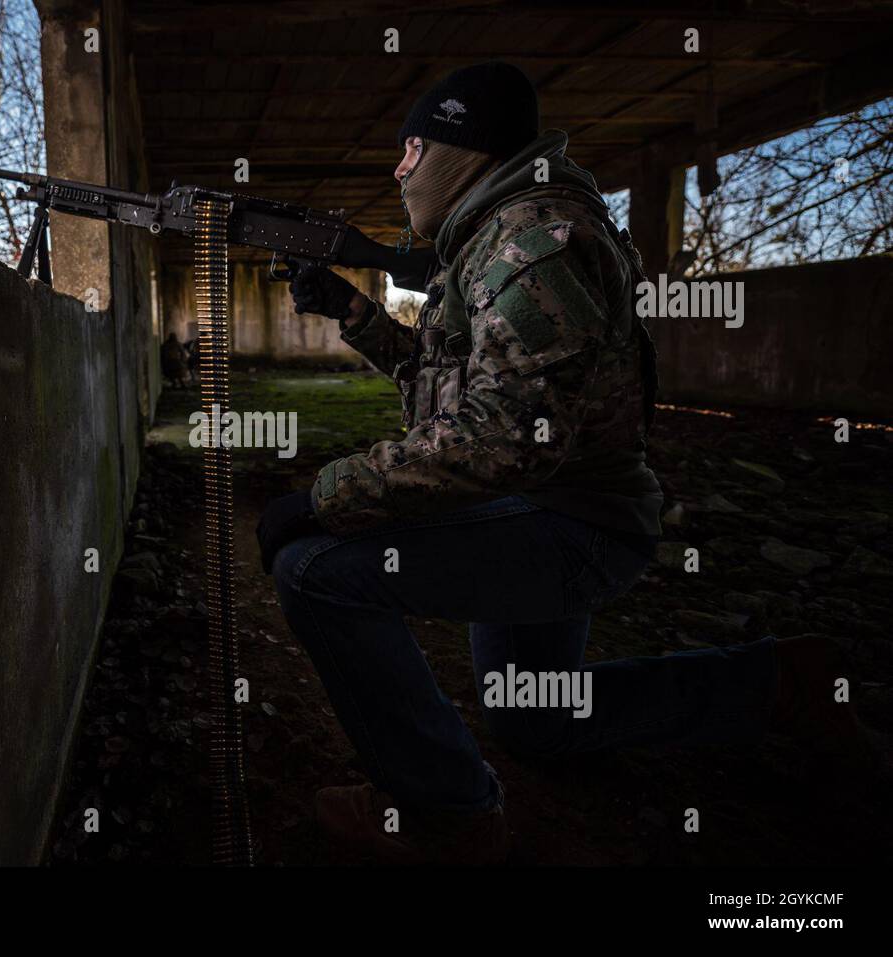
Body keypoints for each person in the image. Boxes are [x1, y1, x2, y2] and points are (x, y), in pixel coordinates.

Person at [254, 61, 873, 865]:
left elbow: (501, 437)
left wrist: (325, 495)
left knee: (314, 569)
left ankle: (448, 814)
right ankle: (779, 682)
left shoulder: (530, 243)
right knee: (537, 717)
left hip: (567, 521)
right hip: (553, 505)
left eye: (412, 147)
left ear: (463, 146)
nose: (398, 169)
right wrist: (355, 312)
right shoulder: (498, 236)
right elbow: (454, 388)